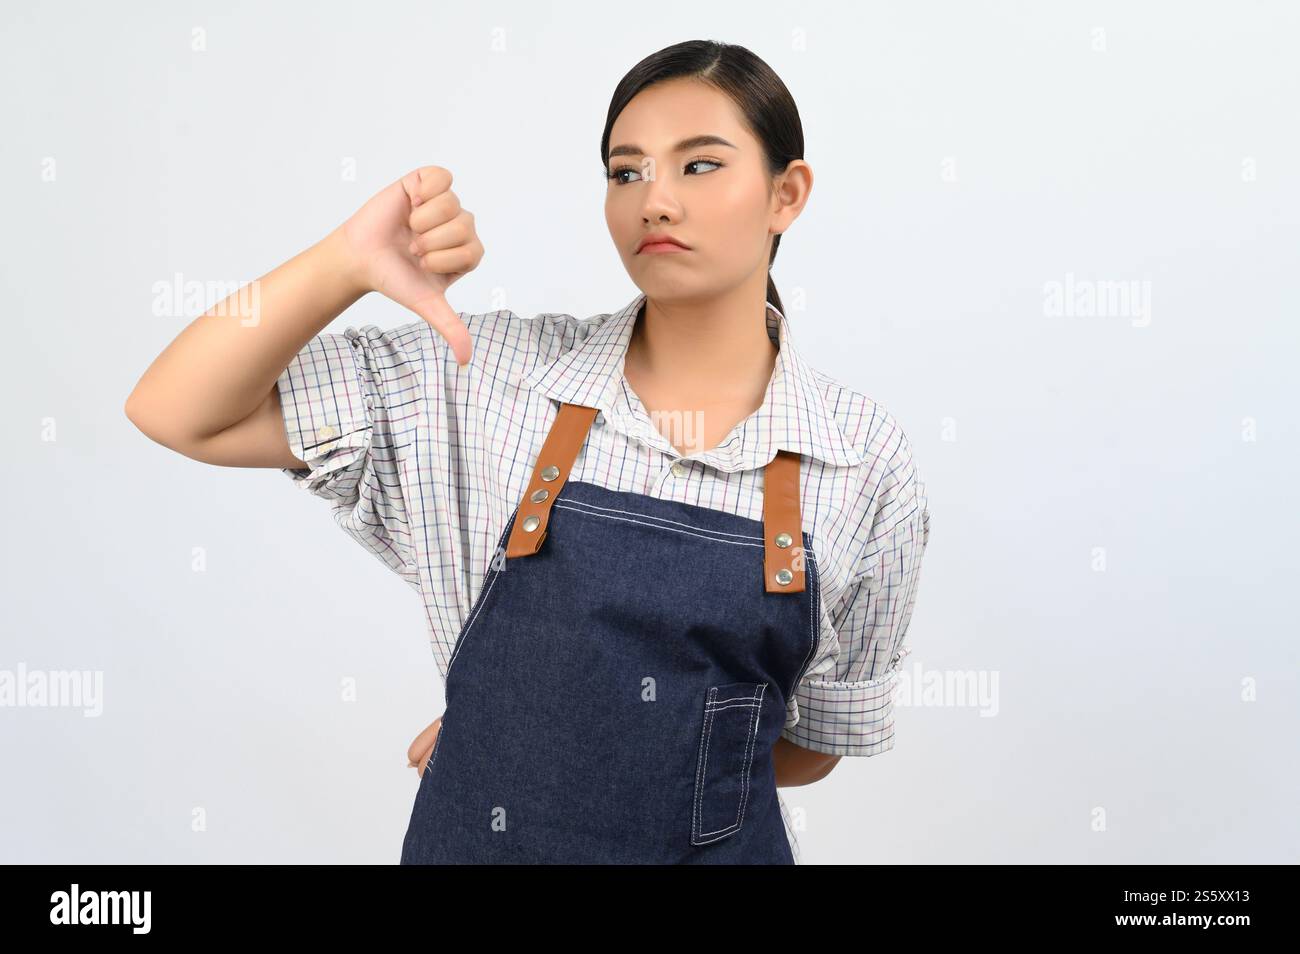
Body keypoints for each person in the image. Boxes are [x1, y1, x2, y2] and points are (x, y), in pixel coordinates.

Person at [125, 39, 931, 864]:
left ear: (785, 194)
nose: (654, 200)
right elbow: (177, 410)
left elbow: (816, 746)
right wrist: (348, 262)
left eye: (699, 166)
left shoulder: (861, 458)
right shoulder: (487, 378)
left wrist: (597, 739)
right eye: (626, 172)